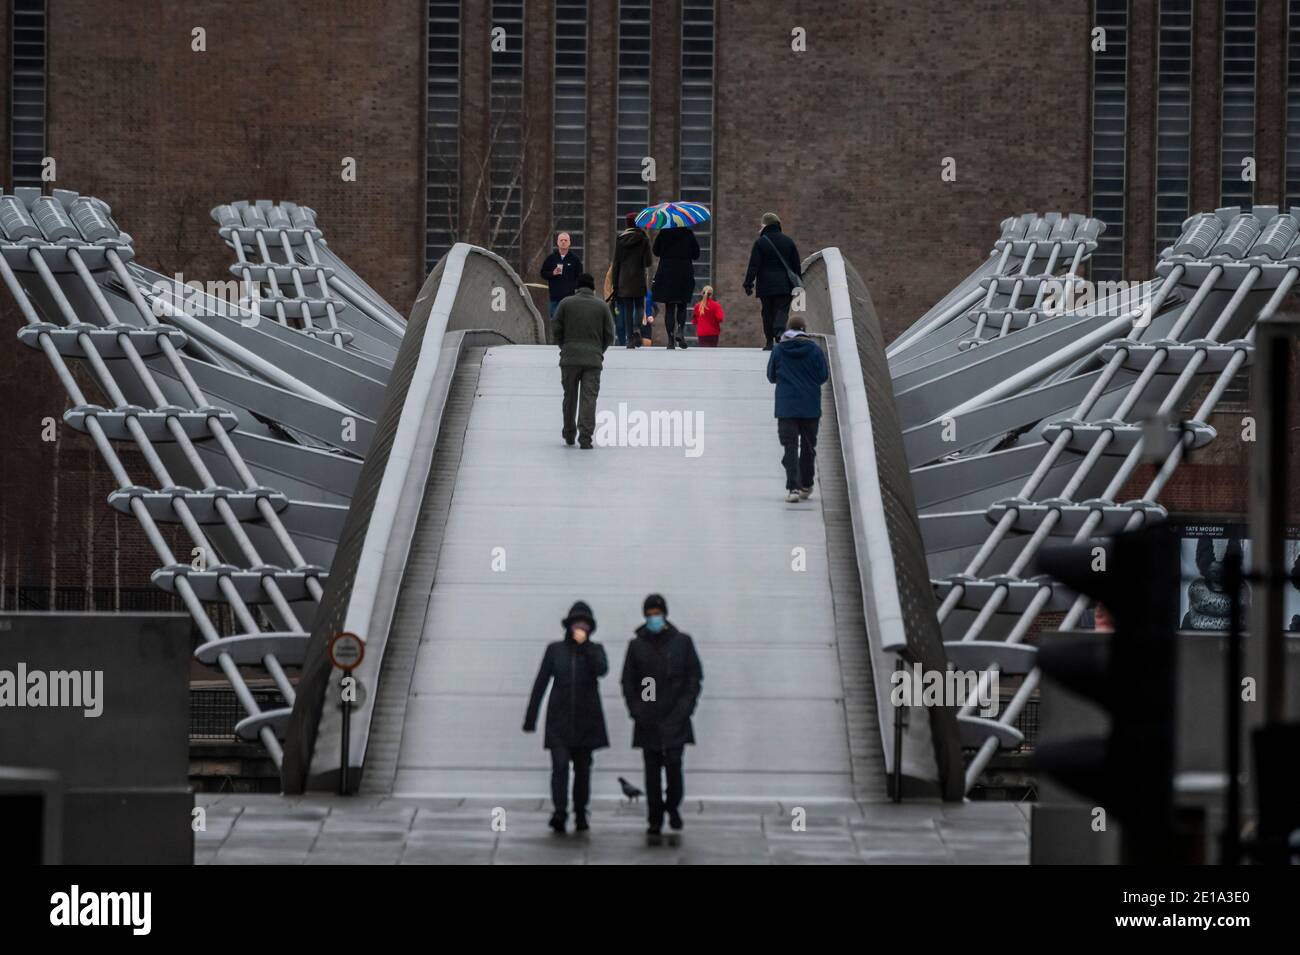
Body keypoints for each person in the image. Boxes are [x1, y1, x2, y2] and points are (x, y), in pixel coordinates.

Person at [620, 593, 703, 844]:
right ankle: (654, 818)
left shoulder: (682, 642)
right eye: (649, 614)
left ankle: (673, 807)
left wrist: (684, 708)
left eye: (657, 613)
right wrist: (640, 709)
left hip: (676, 718)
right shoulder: (638, 646)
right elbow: (633, 681)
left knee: (675, 768)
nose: (653, 618)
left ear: (664, 614)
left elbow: (693, 679)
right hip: (649, 721)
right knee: (652, 774)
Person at [524, 601, 610, 834]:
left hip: (586, 722)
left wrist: (586, 649)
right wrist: (531, 717)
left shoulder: (596, 650)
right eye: (577, 623)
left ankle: (581, 811)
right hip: (559, 721)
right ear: (569, 625)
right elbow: (541, 682)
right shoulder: (555, 650)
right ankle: (560, 811)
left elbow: (602, 669)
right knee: (560, 767)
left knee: (583, 771)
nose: (580, 627)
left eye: (584, 624)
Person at [766, 315, 828, 503]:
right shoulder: (815, 350)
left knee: (790, 447)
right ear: (804, 329)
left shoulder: (779, 350)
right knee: (809, 447)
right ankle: (806, 485)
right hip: (810, 406)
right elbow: (823, 376)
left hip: (786, 407)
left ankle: (792, 488)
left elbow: (771, 376)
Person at [552, 272, 615, 448]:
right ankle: (585, 437)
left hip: (569, 359)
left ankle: (569, 433)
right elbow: (610, 335)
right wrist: (598, 350)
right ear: (593, 288)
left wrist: (564, 347)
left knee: (569, 397)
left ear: (577, 288)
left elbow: (556, 328)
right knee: (589, 399)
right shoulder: (601, 306)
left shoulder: (565, 304)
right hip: (593, 361)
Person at [744, 212, 802, 350]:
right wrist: (798, 283)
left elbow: (754, 265)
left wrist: (748, 283)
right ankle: (780, 330)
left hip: (765, 284)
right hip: (784, 284)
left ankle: (769, 341)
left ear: (765, 225)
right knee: (782, 308)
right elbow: (796, 265)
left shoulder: (760, 242)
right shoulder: (788, 241)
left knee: (767, 312)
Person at [608, 212, 653, 348]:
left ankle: (629, 339)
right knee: (639, 305)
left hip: (623, 279)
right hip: (638, 278)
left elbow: (616, 263)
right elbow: (648, 262)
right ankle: (636, 330)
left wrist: (615, 283)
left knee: (627, 308)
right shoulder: (644, 239)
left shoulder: (620, 239)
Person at [651, 225, 700, 350]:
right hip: (684, 272)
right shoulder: (688, 234)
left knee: (670, 307)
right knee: (682, 304)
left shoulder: (664, 232)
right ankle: (680, 331)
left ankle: (670, 340)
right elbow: (696, 254)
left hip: (667, 272)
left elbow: (655, 251)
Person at [540, 232, 582, 319]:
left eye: (565, 240)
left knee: (569, 322)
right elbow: (543, 273)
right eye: (561, 240)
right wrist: (552, 273)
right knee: (556, 323)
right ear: (557, 242)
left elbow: (580, 277)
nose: (563, 242)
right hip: (554, 298)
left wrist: (572, 287)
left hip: (570, 299)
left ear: (569, 242)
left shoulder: (575, 259)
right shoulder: (551, 258)